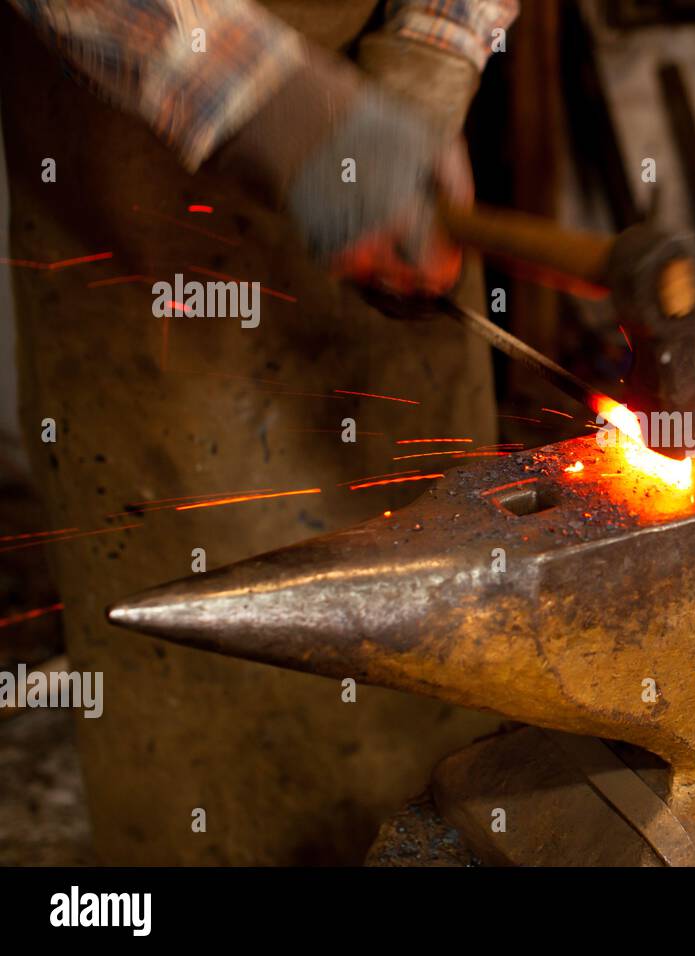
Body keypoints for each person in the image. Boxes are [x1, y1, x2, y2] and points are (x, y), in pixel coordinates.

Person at [0, 0, 516, 864]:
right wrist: (287, 111)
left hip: (393, 160)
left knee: (447, 687)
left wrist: (432, 57)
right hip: (140, 205)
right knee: (220, 741)